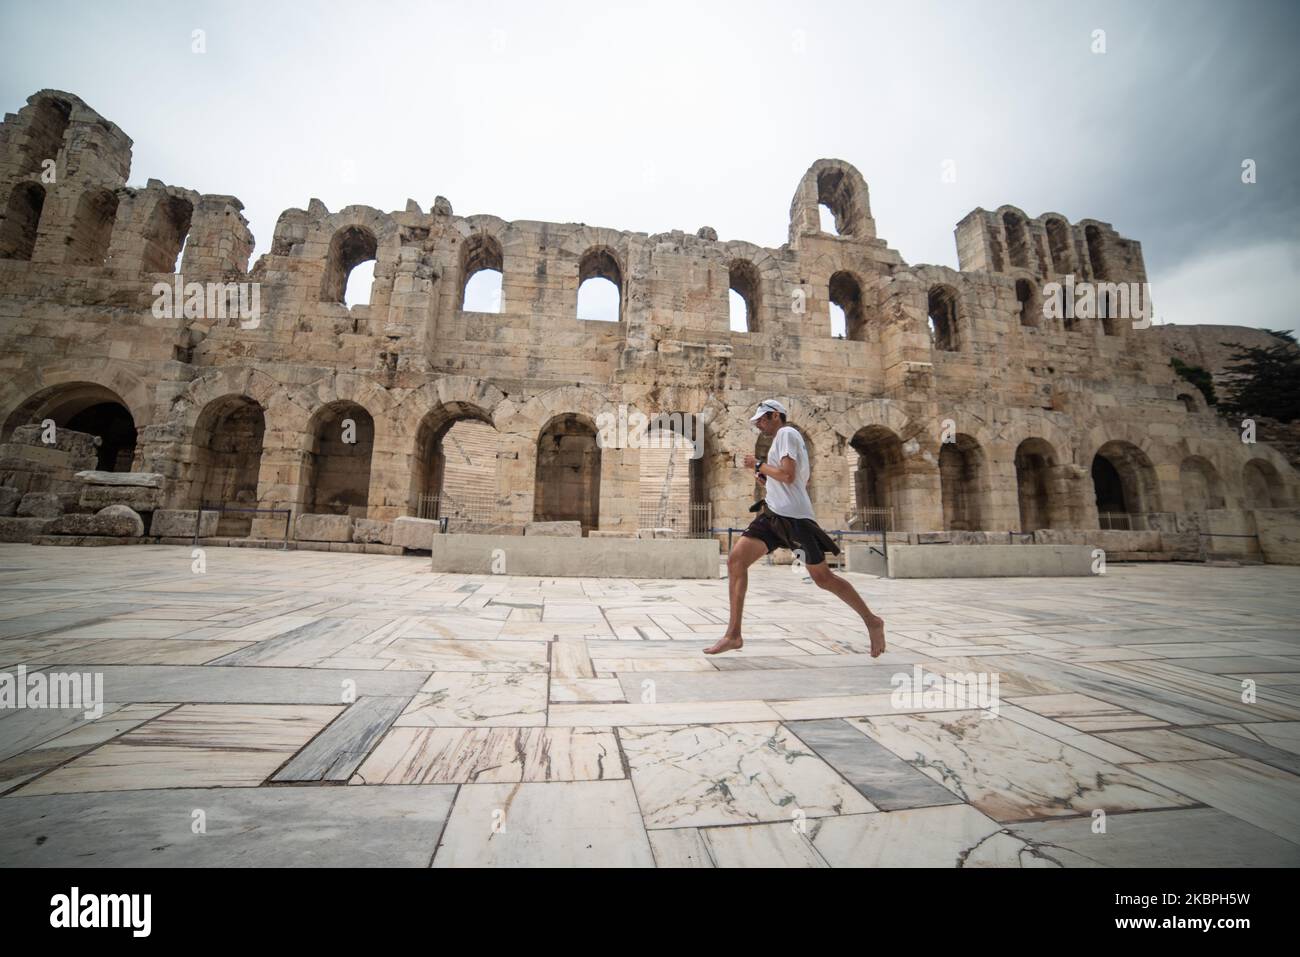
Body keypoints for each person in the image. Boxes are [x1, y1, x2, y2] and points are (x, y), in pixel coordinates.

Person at [705, 399, 886, 657]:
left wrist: (757, 464)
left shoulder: (787, 433)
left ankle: (872, 620)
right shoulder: (784, 439)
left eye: (762, 420)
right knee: (736, 561)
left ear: (776, 415)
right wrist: (766, 477)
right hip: (772, 516)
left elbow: (789, 475)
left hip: (794, 520)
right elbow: (797, 478)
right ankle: (733, 635)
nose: (758, 425)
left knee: (823, 579)